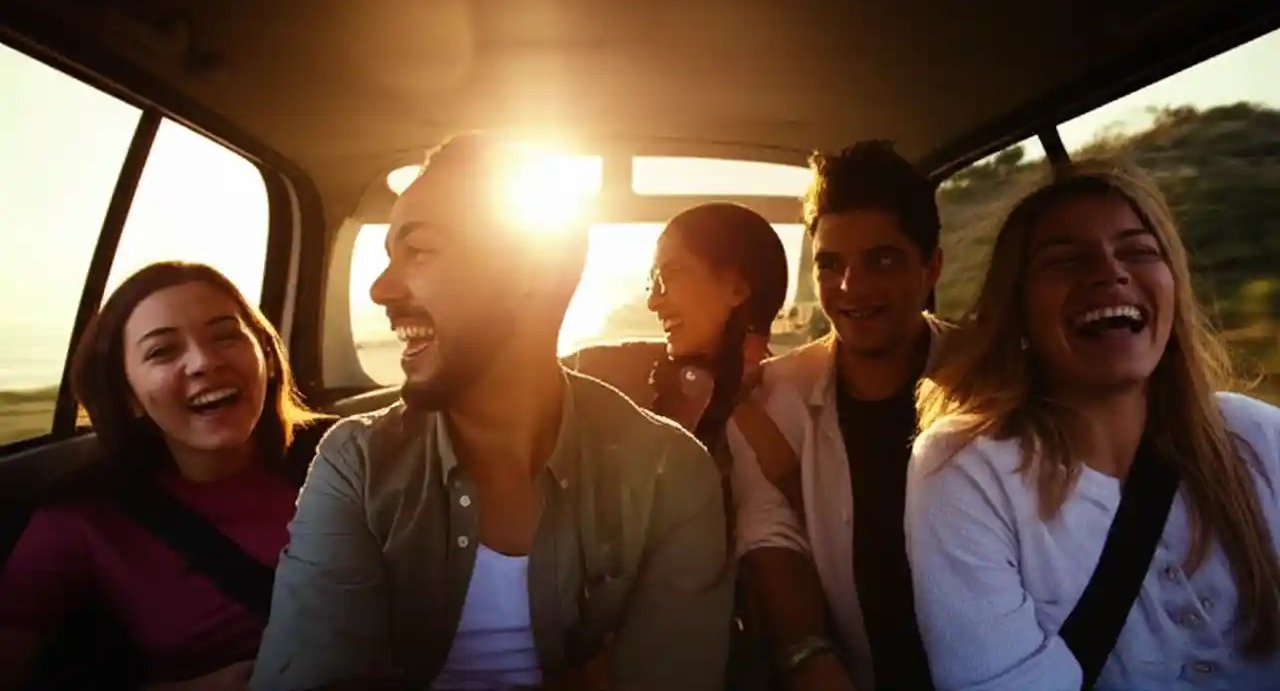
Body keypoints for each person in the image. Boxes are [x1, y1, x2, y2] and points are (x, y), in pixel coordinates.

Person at [251, 133, 733, 690]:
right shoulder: (356, 464)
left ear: (532, 271)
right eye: (390, 257)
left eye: (420, 251)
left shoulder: (669, 472)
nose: (382, 290)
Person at [907, 160, 1280, 690]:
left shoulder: (1259, 436)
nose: (1110, 272)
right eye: (1065, 260)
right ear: (1018, 311)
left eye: (1138, 251)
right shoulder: (965, 466)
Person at [0, 261, 325, 690]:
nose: (203, 362)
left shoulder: (350, 455)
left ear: (264, 354)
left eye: (225, 336)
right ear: (127, 394)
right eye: (162, 351)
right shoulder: (81, 519)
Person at [731, 141, 949, 690]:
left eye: (881, 259)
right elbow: (770, 531)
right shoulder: (776, 397)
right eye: (831, 264)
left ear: (931, 268)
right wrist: (806, 655)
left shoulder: (992, 381)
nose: (852, 288)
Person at [566, 201, 800, 507]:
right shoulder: (622, 373)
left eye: (672, 273)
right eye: (653, 280)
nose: (653, 301)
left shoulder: (799, 404)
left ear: (738, 289)